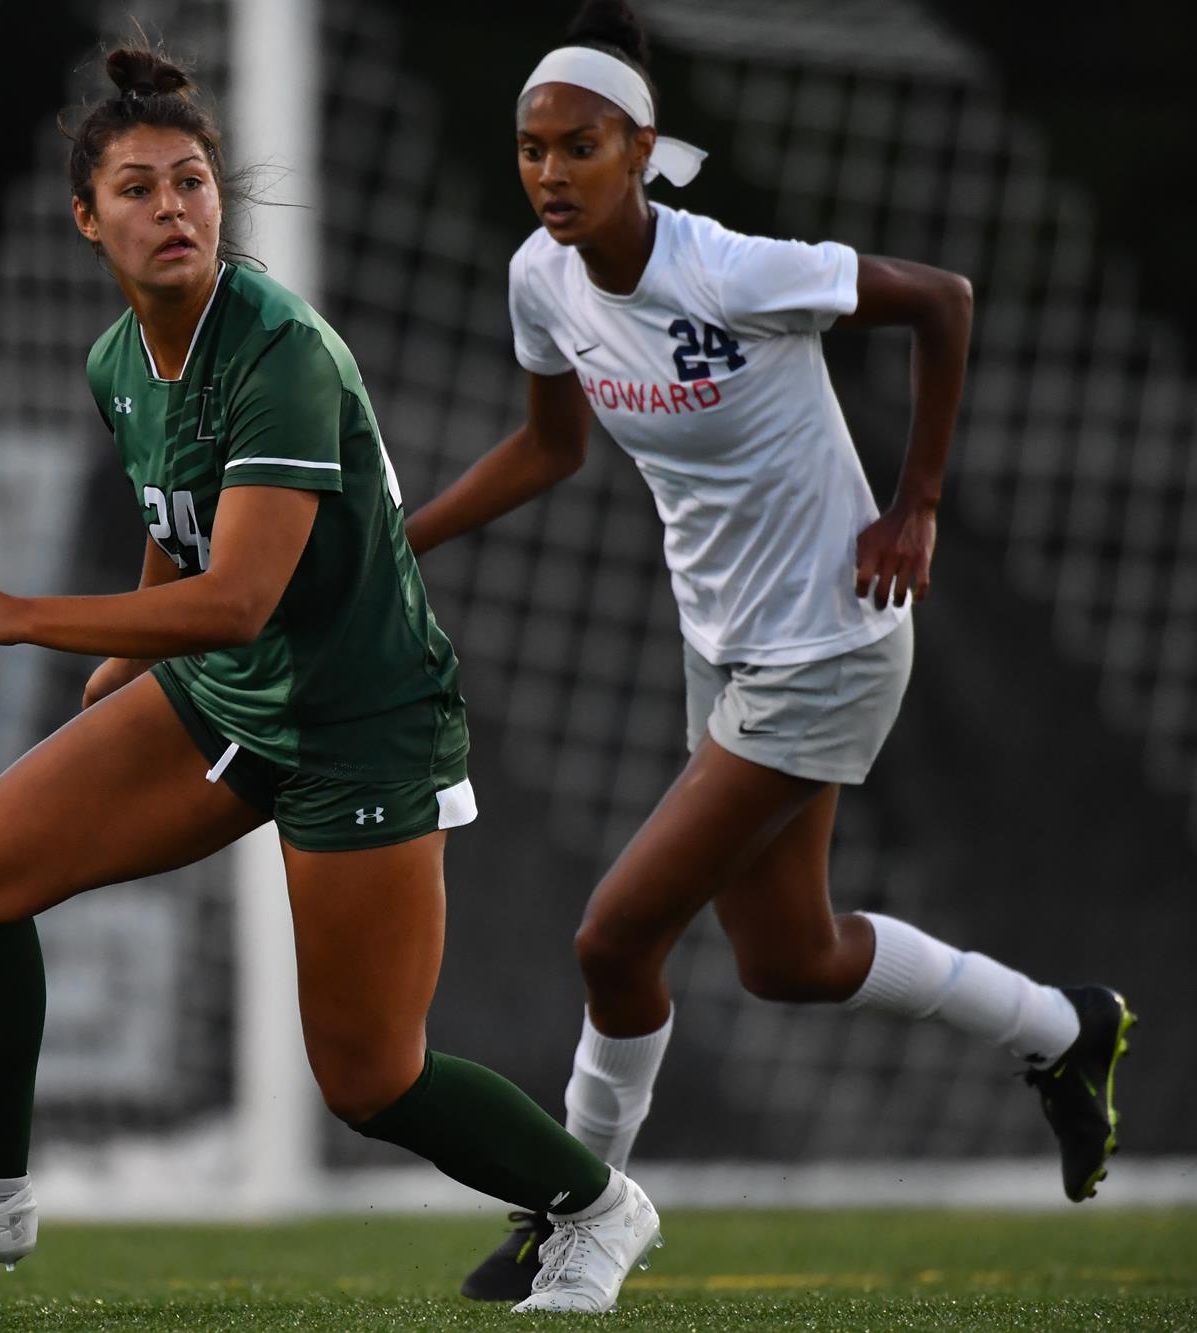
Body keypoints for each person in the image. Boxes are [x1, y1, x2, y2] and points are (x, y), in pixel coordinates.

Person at [0, 42, 661, 1315]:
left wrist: (19, 617)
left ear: (220, 203)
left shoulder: (280, 349)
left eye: (190, 182)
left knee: (369, 1080)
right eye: (136, 188)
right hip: (230, 698)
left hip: (362, 725)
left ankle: (598, 1207)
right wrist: (124, 645)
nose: (170, 207)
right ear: (86, 219)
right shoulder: (118, 360)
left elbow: (239, 596)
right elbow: (179, 527)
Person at [405, 0, 1136, 1304]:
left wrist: (914, 502)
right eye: (531, 149)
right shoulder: (542, 279)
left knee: (612, 939)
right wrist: (402, 540)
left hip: (830, 648)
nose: (551, 174)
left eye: (581, 147)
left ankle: (575, 1212)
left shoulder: (730, 269)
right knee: (787, 960)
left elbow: (941, 301)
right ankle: (1063, 1027)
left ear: (640, 149)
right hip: (725, 647)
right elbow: (550, 449)